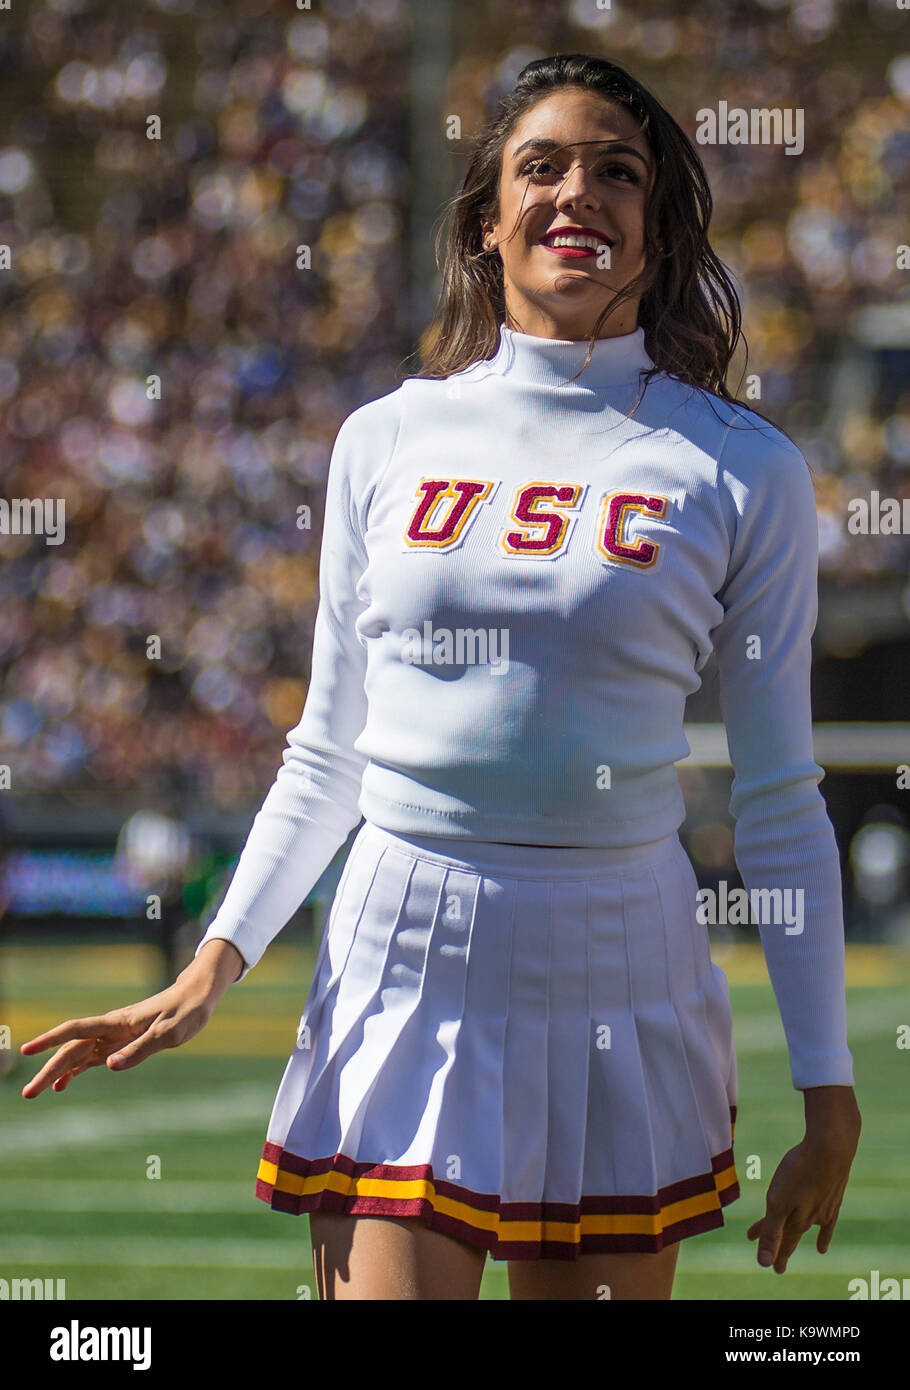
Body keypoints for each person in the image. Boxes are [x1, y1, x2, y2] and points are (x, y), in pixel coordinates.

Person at [20, 53, 861, 1301]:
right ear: (486, 222)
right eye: (544, 167)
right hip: (405, 940)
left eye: (618, 172)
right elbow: (330, 748)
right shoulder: (388, 438)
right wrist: (214, 960)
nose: (580, 193)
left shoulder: (743, 469)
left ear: (655, 227)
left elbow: (782, 794)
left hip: (622, 949)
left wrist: (827, 1092)